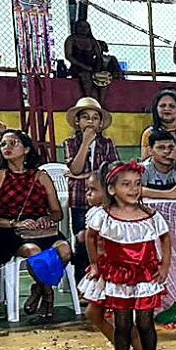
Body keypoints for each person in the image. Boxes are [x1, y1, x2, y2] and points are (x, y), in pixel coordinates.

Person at [81, 162, 172, 350]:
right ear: (112, 189)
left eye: (138, 184)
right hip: (118, 275)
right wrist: (94, 264)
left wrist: (164, 265)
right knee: (121, 323)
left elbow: (165, 238)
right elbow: (90, 237)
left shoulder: (150, 215)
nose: (134, 189)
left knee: (145, 322)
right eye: (126, 184)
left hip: (145, 275)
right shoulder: (104, 216)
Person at [0, 130, 72, 321]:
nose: (7, 148)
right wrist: (15, 223)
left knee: (64, 251)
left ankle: (38, 288)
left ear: (27, 149)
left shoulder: (41, 176)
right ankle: (48, 294)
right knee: (34, 252)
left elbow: (58, 212)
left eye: (13, 143)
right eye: (3, 144)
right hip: (9, 231)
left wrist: (46, 219)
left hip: (40, 229)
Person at [63, 96, 120, 277]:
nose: (90, 121)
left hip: (104, 201)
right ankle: (82, 282)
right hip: (80, 200)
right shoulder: (70, 143)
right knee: (82, 240)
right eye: (85, 117)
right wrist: (86, 142)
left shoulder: (107, 143)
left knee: (105, 240)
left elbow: (113, 171)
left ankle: (105, 277)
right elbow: (75, 167)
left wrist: (85, 176)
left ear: (101, 123)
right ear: (77, 122)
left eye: (95, 118)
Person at [63, 20, 104, 100]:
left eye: (86, 27)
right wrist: (84, 66)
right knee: (86, 76)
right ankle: (89, 99)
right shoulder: (71, 39)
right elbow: (68, 56)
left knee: (104, 78)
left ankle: (101, 102)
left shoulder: (93, 41)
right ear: (76, 28)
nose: (83, 29)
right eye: (81, 26)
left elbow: (99, 57)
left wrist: (97, 69)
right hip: (77, 67)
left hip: (92, 67)